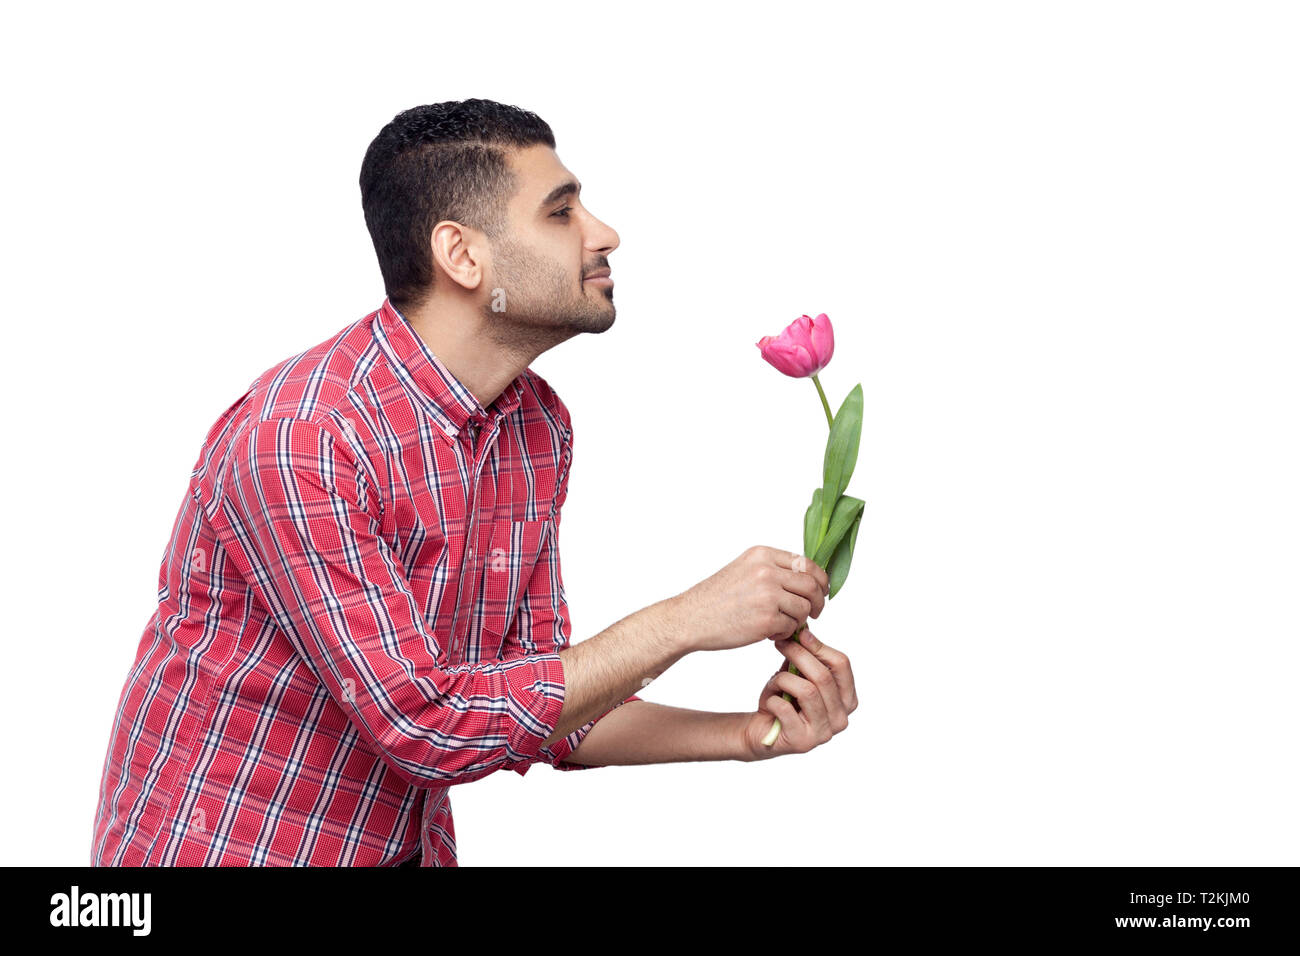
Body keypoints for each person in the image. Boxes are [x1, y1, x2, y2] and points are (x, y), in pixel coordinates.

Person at [91, 98, 857, 867]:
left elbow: (537, 698)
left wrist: (748, 735)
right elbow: (426, 729)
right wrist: (684, 620)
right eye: (561, 212)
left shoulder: (534, 425)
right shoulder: (303, 439)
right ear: (462, 257)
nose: (604, 233)